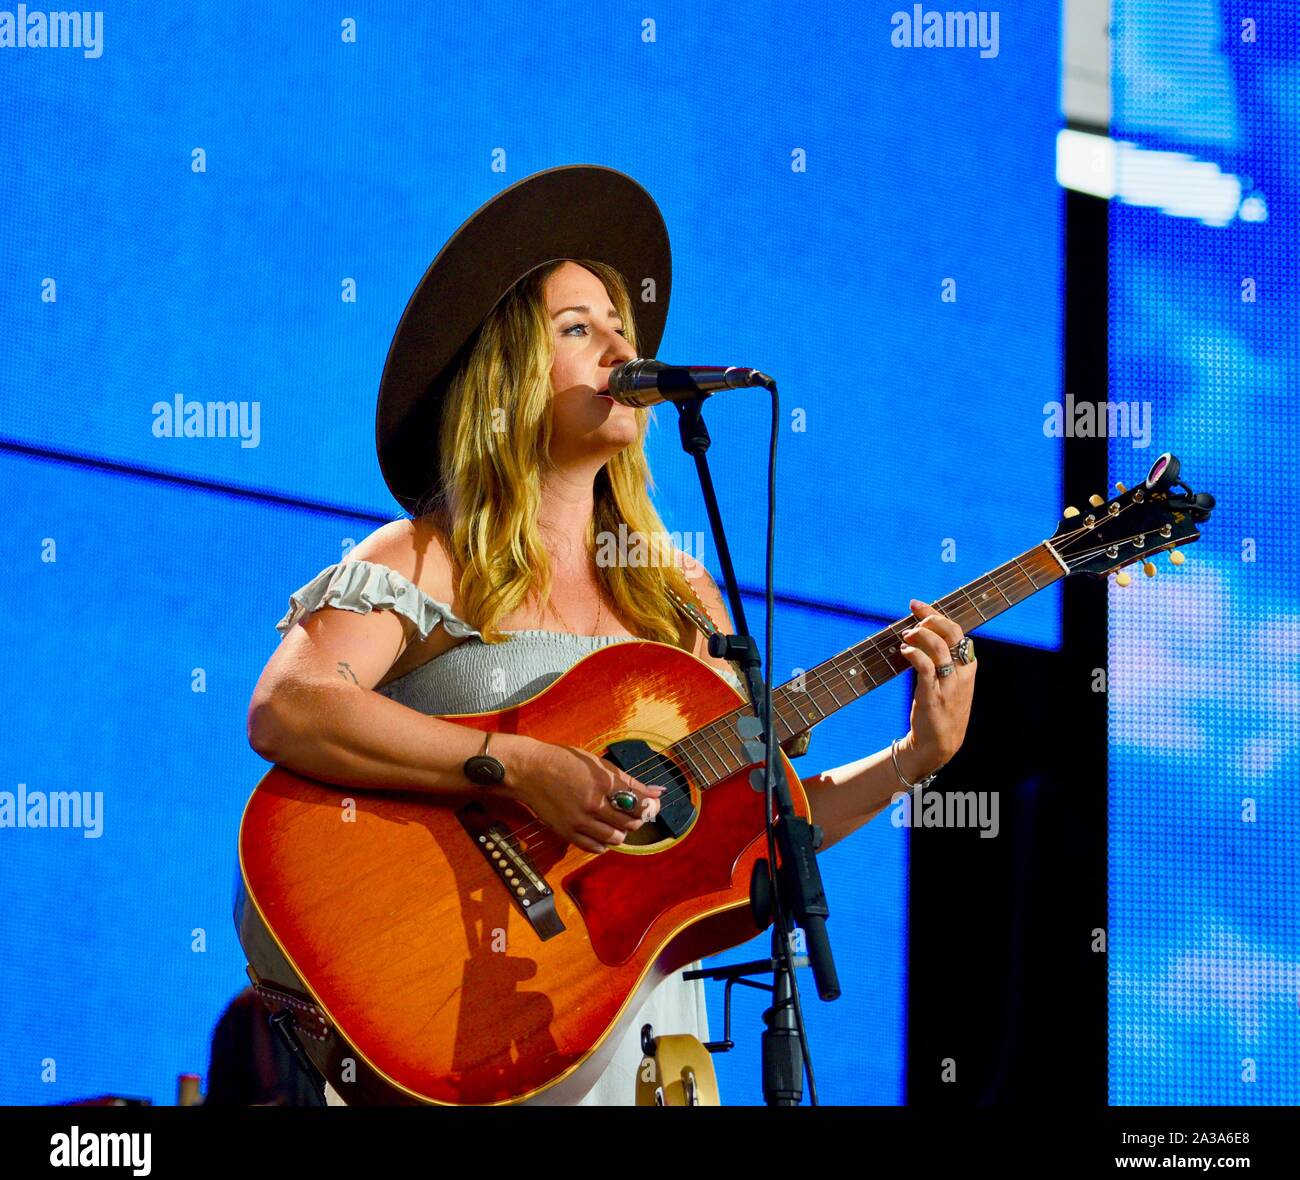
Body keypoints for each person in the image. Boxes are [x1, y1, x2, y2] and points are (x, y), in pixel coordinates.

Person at [246, 165, 978, 1106]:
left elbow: (756, 834)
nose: (621, 344)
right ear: (507, 376)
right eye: (578, 328)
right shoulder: (425, 555)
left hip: (628, 1040)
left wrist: (913, 756)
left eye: (621, 325)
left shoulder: (677, 596)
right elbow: (290, 708)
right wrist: (517, 768)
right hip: (437, 1003)